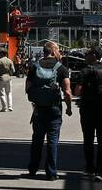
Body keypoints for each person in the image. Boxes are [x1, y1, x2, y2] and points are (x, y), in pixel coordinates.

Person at [26, 40, 74, 179]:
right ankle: (51, 173)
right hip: (54, 109)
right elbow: (68, 92)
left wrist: (37, 98)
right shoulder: (61, 68)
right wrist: (69, 108)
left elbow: (27, 88)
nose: (60, 52)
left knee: (37, 140)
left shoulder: (34, 66)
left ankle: (33, 169)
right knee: (52, 141)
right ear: (52, 51)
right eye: (58, 49)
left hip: (39, 109)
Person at [74, 45, 102, 181]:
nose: (86, 56)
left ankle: (89, 168)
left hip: (88, 109)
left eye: (88, 54)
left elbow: (77, 91)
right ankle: (100, 170)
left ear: (94, 56)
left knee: (88, 139)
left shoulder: (85, 71)